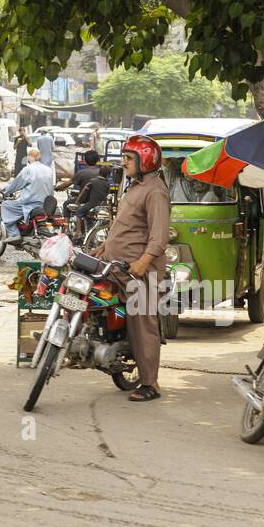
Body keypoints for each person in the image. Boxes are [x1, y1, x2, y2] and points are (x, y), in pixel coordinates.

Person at [97, 134, 170, 403]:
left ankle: (150, 383)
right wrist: (104, 246)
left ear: (145, 161)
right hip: (116, 266)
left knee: (143, 325)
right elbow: (125, 224)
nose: (124, 162)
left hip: (140, 271)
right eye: (124, 157)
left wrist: (142, 262)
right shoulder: (134, 186)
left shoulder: (155, 191)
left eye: (129, 158)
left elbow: (159, 235)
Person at [0, 147, 54, 243]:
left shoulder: (28, 169)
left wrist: (2, 190)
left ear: (29, 158)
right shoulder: (48, 170)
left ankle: (14, 234)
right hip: (46, 204)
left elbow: (16, 184)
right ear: (39, 157)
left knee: (5, 205)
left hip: (29, 204)